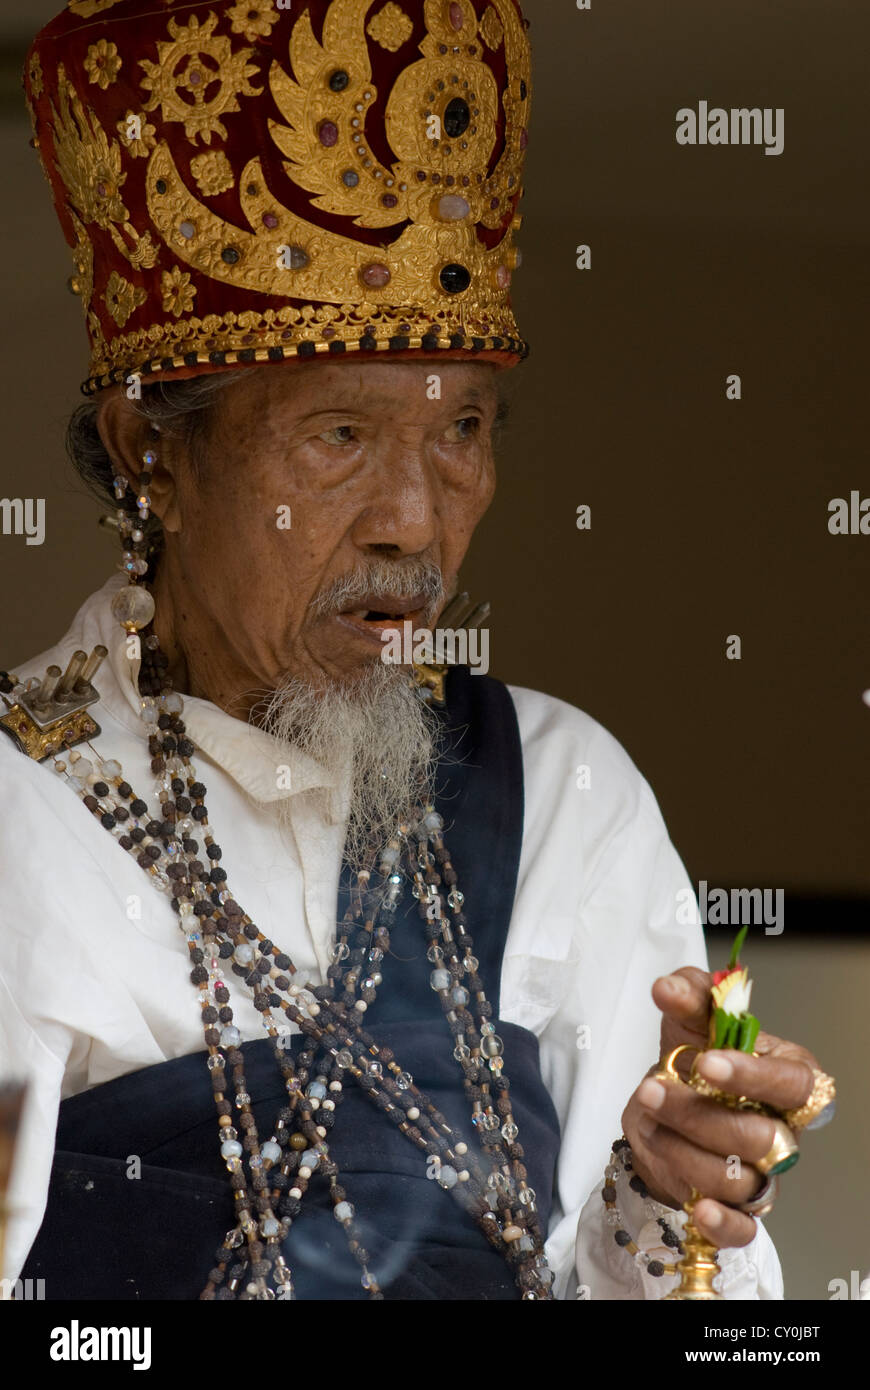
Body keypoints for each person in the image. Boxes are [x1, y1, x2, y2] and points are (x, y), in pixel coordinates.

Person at [0, 0, 832, 1301]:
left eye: (462, 431)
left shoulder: (560, 792)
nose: (414, 519)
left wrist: (672, 1201)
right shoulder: (25, 810)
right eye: (339, 435)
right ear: (148, 449)